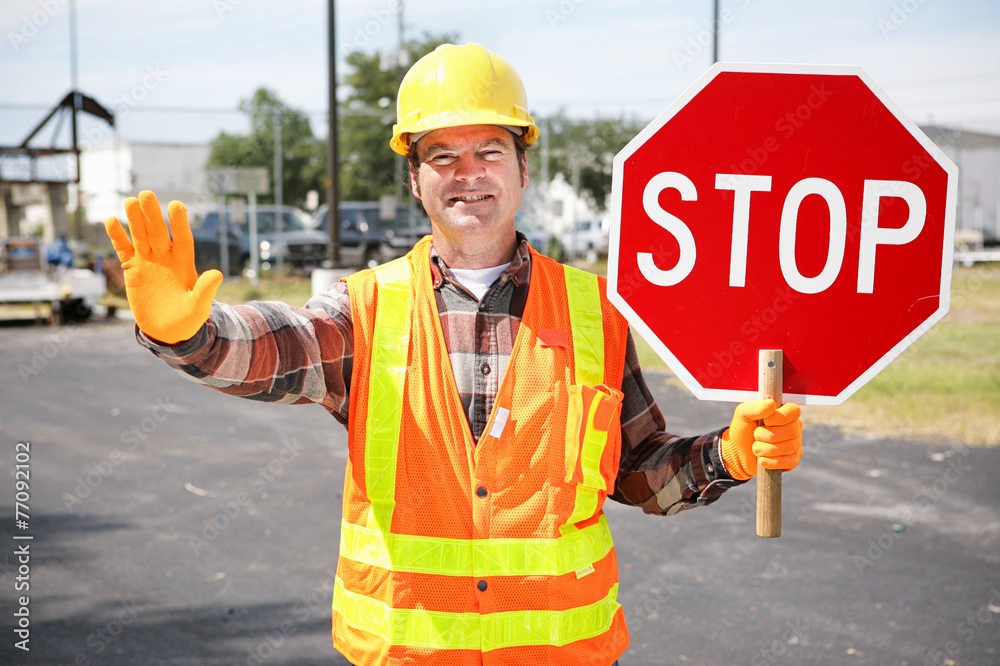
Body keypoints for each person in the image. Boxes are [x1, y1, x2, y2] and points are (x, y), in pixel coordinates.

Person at [105, 43, 802, 666]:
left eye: (489, 151)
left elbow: (637, 471)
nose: (467, 173)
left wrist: (728, 456)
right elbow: (278, 345)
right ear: (415, 179)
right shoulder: (366, 308)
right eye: (442, 155)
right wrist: (189, 334)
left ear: (523, 168)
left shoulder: (597, 313)